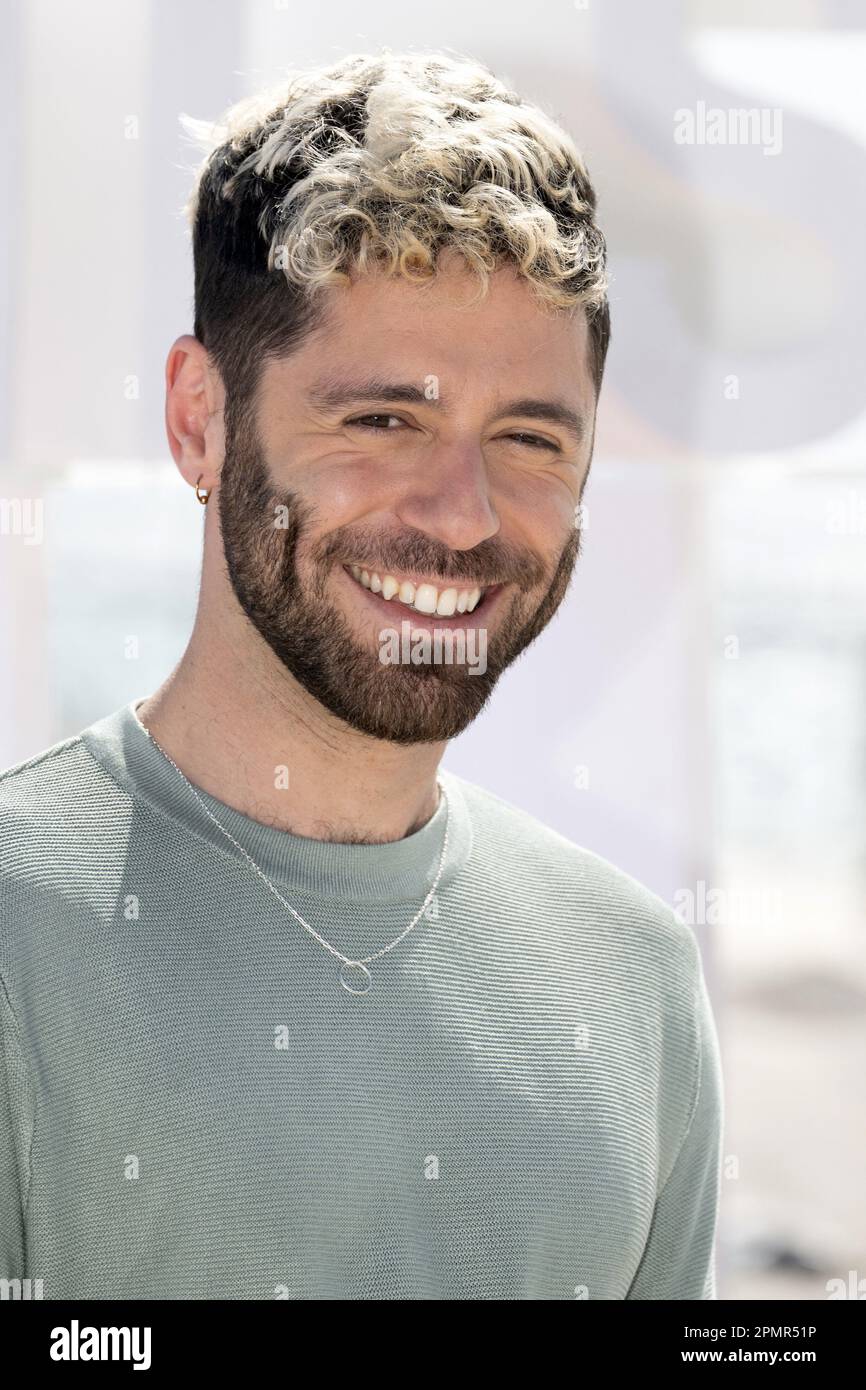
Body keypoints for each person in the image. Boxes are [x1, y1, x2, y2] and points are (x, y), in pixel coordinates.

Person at [0, 50, 723, 1300]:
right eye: (382, 421)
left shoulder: (635, 977)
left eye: (529, 438)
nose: (460, 517)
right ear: (199, 420)